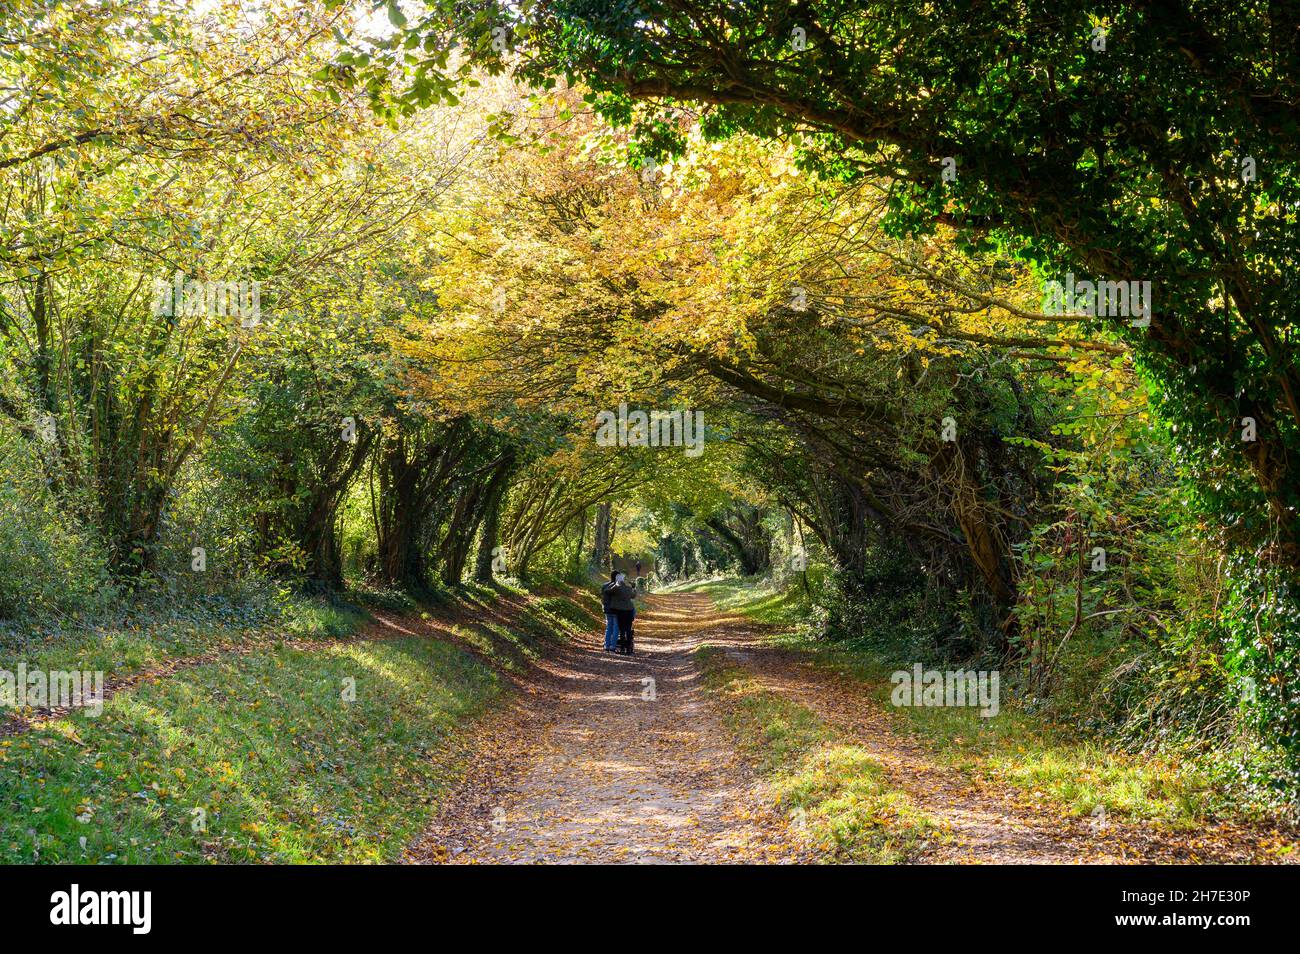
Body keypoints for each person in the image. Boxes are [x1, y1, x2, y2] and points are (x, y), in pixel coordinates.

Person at [604, 571, 639, 655]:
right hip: (629, 611)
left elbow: (607, 591)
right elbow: (633, 595)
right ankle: (628, 650)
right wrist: (633, 587)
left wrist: (615, 583)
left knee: (621, 630)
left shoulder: (616, 588)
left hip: (620, 612)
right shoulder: (628, 588)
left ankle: (621, 648)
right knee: (628, 630)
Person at [599, 571, 620, 652]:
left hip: (607, 609)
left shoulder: (605, 585)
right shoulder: (618, 586)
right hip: (616, 610)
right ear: (617, 577)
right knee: (616, 628)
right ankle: (613, 646)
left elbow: (602, 597)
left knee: (608, 627)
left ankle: (606, 645)